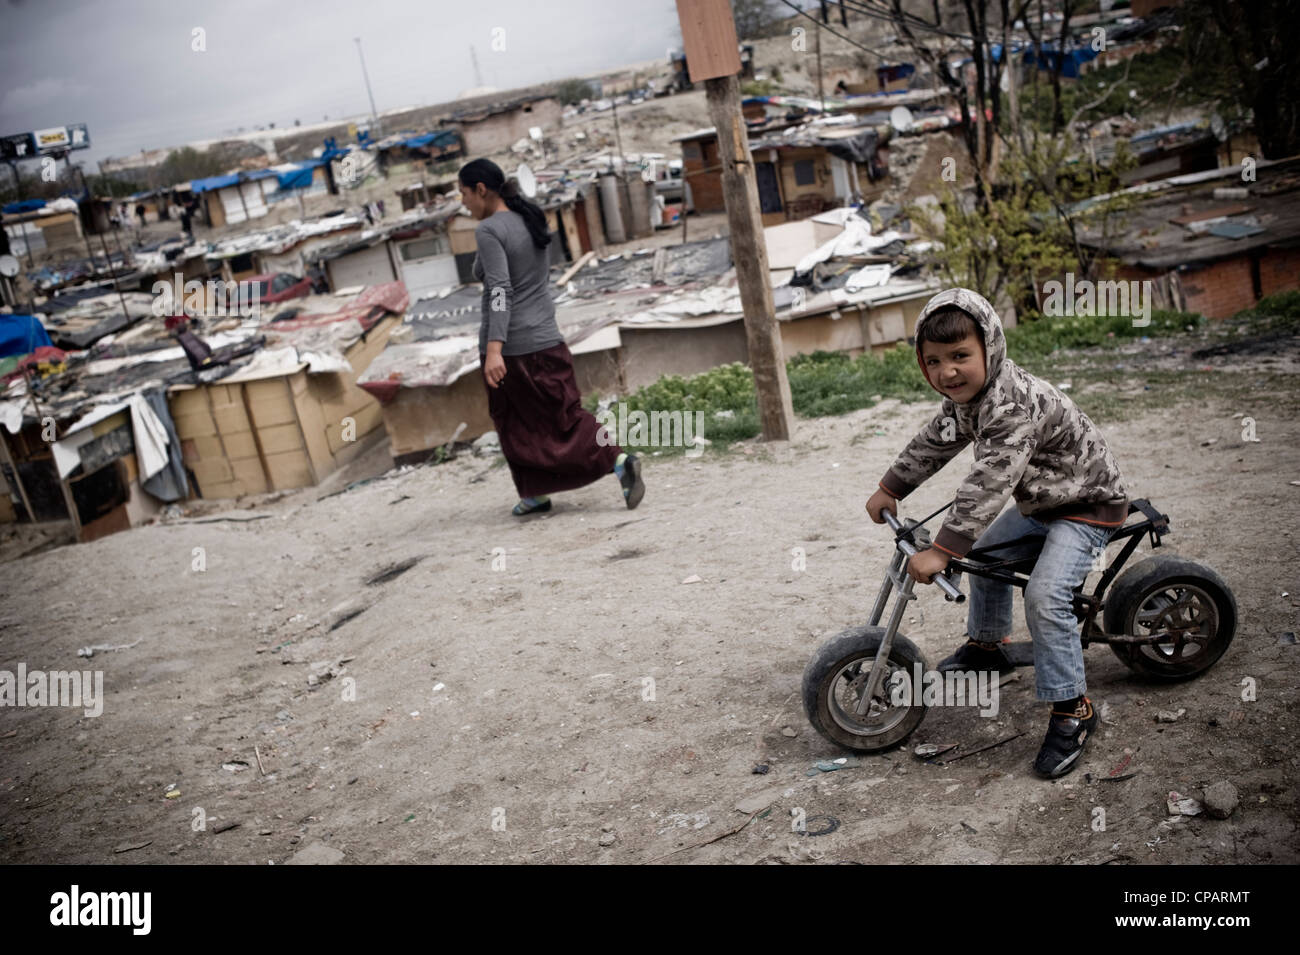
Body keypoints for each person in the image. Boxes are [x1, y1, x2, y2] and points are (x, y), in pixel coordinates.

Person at [864, 288, 1129, 779]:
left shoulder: (1011, 404)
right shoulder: (969, 399)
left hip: (1084, 505)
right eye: (934, 361)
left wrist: (943, 550)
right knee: (986, 556)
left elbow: (989, 483)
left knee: (1047, 596)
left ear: (990, 346)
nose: (948, 372)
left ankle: (1074, 709)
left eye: (961, 356)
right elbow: (934, 442)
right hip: (1043, 500)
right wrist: (891, 486)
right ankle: (988, 649)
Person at [458, 158, 644, 517]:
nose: (462, 203)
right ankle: (546, 489)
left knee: (514, 422)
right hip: (547, 338)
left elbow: (499, 289)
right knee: (563, 415)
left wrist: (495, 349)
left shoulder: (490, 231)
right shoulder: (530, 218)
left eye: (464, 193)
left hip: (513, 347)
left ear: (481, 190)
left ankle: (608, 465)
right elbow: (496, 271)